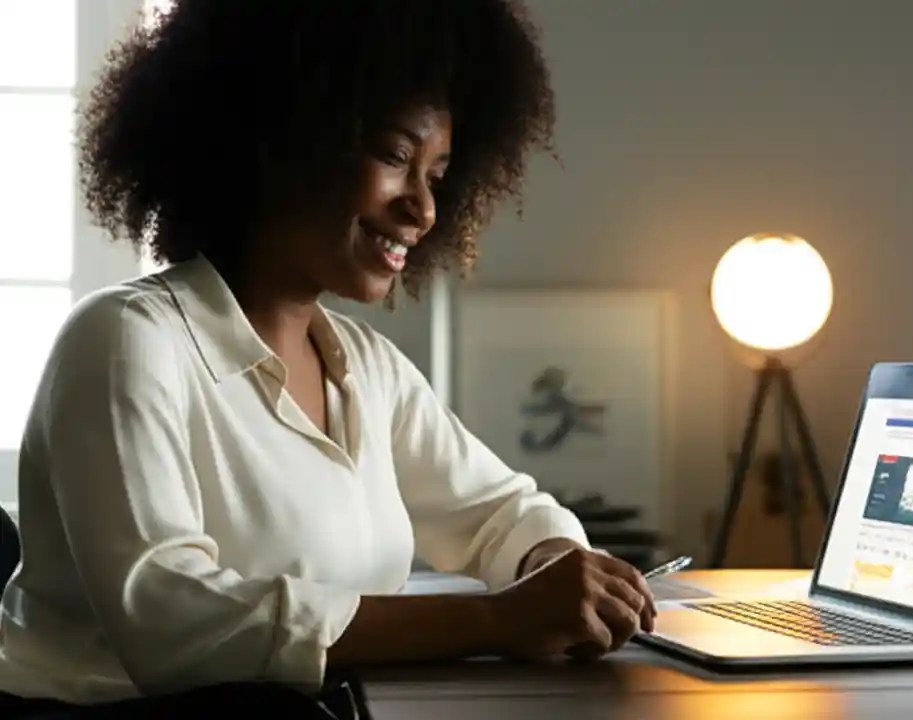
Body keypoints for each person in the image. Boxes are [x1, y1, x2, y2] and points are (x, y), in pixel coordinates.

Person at [0, 0, 655, 715]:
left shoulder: (367, 369)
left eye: (437, 177)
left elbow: (502, 512)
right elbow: (169, 619)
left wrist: (560, 568)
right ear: (283, 138)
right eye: (396, 158)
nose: (423, 210)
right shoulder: (125, 342)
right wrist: (496, 620)